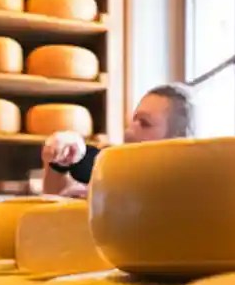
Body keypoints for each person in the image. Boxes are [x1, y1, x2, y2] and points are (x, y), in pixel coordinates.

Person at [41, 82, 194, 198]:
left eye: (144, 123)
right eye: (133, 120)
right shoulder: (114, 174)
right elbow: (55, 195)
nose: (128, 132)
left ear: (176, 142)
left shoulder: (183, 197)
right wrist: (60, 162)